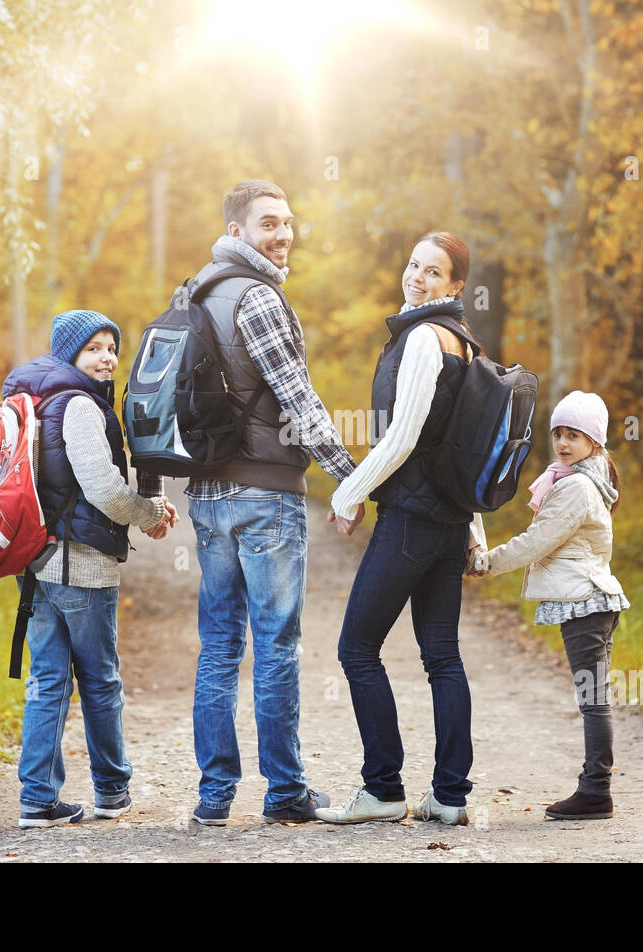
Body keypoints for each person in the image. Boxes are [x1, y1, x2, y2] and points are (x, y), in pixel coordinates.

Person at [185, 180, 361, 826]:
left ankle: (213, 797)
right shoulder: (257, 298)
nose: (283, 235)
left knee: (219, 645)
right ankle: (285, 791)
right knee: (276, 643)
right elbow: (300, 401)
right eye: (268, 224)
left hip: (207, 496)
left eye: (288, 223)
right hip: (265, 495)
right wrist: (350, 479)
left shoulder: (193, 292)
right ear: (237, 233)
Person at [316, 232, 486, 827]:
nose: (417, 277)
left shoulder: (422, 339)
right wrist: (475, 532)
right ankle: (449, 797)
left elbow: (404, 437)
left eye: (433, 272)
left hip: (412, 521)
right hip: (448, 524)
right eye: (414, 265)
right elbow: (465, 452)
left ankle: (383, 787)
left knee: (357, 648)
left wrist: (347, 491)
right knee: (442, 656)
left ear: (456, 286)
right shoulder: (467, 345)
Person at [1, 309, 178, 828]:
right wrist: (150, 514)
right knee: (100, 679)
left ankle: (37, 798)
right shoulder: (77, 405)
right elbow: (103, 490)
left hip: (34, 563)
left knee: (48, 679)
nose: (106, 357)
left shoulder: (33, 398)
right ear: (69, 356)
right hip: (80, 566)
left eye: (110, 347)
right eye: (93, 349)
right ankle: (112, 790)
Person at [470, 390, 629, 820]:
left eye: (573, 435)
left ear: (594, 442)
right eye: (557, 433)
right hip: (589, 601)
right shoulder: (580, 479)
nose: (562, 442)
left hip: (585, 603)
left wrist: (488, 562)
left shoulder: (576, 486)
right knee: (594, 697)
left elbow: (538, 541)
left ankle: (595, 792)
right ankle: (596, 789)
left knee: (593, 700)